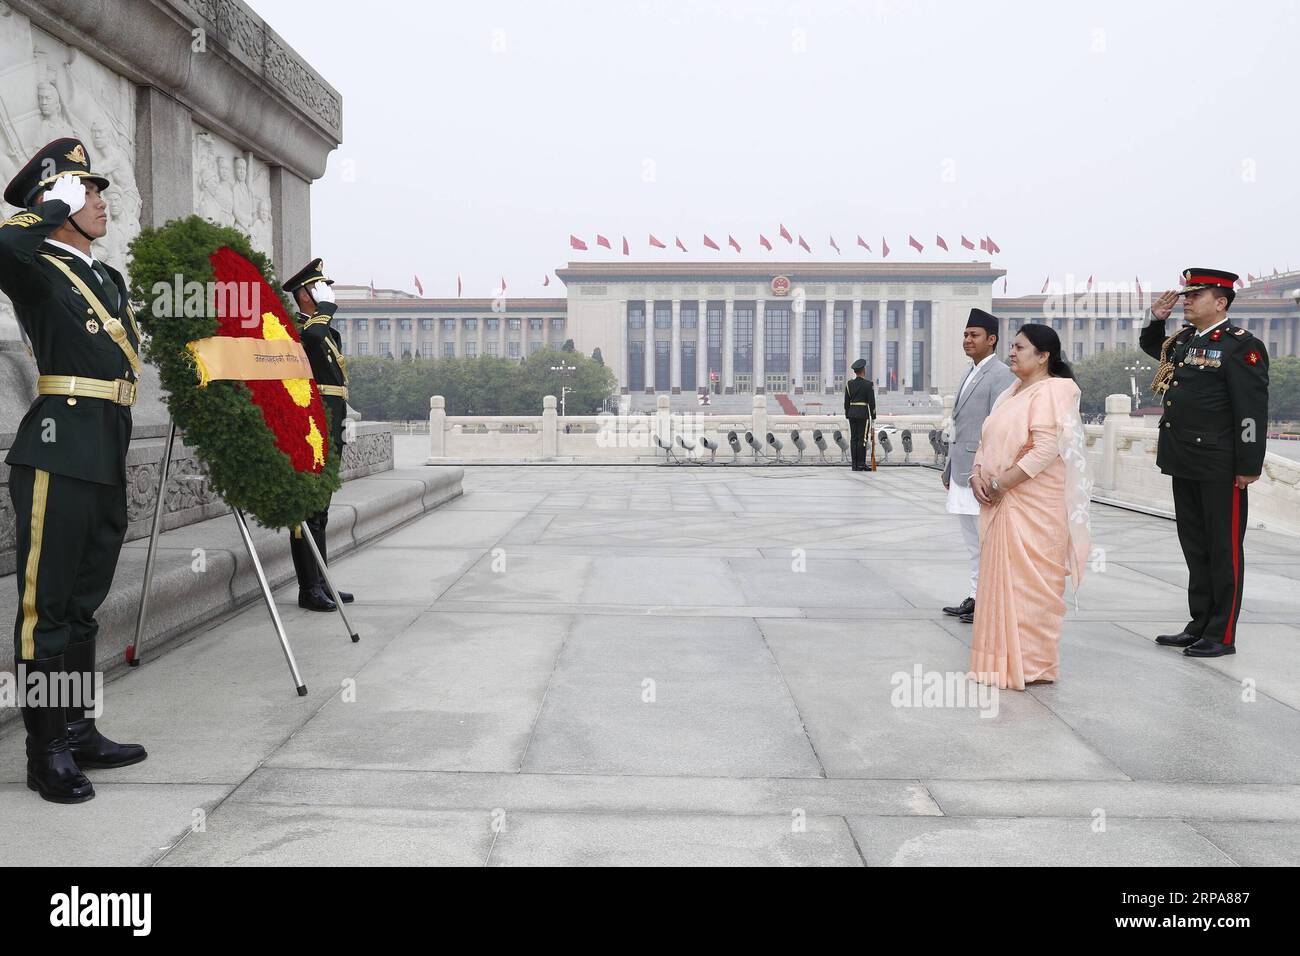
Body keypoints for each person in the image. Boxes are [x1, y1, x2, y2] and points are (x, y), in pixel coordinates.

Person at [1, 138, 148, 803]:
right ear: (53, 200)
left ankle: (80, 728)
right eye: (84, 191)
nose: (99, 201)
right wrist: (39, 211)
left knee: (83, 607)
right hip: (57, 454)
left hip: (105, 451)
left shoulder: (105, 277)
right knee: (46, 611)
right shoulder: (37, 268)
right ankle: (46, 751)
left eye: (94, 190)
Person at [1140, 269, 1269, 658]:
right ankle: (1198, 624)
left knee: (1224, 549)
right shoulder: (1184, 340)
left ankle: (1222, 633)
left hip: (1221, 464)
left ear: (1221, 302)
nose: (1187, 300)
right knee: (1195, 547)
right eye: (1187, 294)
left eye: (1197, 295)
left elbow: (1250, 411)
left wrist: (1249, 465)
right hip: (1185, 459)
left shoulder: (1240, 346)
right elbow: (1155, 349)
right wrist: (1156, 320)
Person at [968, 324, 1091, 690]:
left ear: (1043, 356)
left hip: (1033, 505)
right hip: (1000, 499)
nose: (1012, 352)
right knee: (999, 582)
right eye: (1012, 346)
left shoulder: (1055, 391)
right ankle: (997, 663)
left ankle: (1033, 664)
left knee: (1030, 586)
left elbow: (1045, 449)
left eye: (1020, 347)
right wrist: (977, 473)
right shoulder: (1011, 392)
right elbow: (986, 440)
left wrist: (999, 483)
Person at [282, 258, 354, 611]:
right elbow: (310, 337)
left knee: (320, 510)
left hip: (331, 424)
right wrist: (325, 308)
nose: (329, 294)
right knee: (306, 510)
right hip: (310, 428)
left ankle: (322, 581)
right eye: (321, 288)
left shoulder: (326, 331)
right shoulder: (298, 327)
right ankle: (308, 589)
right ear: (305, 294)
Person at [940, 309, 1016, 623]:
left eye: (974, 335)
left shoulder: (1000, 374)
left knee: (987, 540)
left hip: (979, 472)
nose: (967, 340)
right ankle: (976, 594)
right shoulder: (972, 370)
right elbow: (961, 423)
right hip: (960, 468)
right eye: (965, 335)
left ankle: (990, 599)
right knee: (973, 542)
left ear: (992, 339)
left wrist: (988, 471)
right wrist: (947, 467)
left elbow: (998, 427)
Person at [844, 358, 876, 470]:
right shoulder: (868, 384)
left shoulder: (849, 384)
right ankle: (861, 464)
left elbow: (846, 402)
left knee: (854, 438)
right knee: (862, 439)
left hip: (852, 413)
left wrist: (848, 414)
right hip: (863, 413)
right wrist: (873, 416)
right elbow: (872, 402)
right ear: (863, 370)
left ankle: (854, 464)